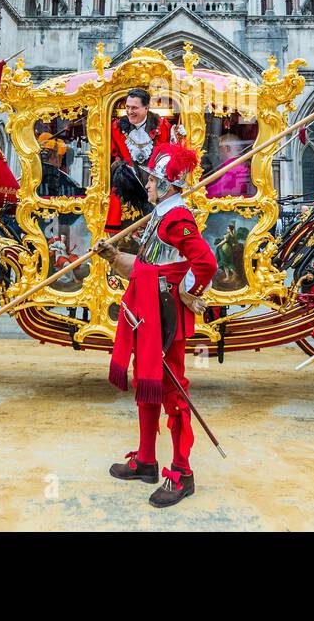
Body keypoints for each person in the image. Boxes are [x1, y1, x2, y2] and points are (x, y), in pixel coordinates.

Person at [96, 142, 217, 507]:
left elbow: (206, 264)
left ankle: (182, 471)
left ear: (167, 185)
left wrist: (186, 291)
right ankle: (147, 459)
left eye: (153, 181)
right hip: (148, 309)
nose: (147, 185)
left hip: (166, 315)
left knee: (173, 394)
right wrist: (115, 256)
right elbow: (150, 266)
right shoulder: (161, 216)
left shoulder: (177, 218)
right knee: (146, 381)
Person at [107, 88, 174, 230]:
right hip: (128, 184)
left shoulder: (162, 126)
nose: (130, 111)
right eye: (127, 107)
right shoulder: (116, 128)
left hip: (155, 182)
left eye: (134, 108)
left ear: (147, 108)